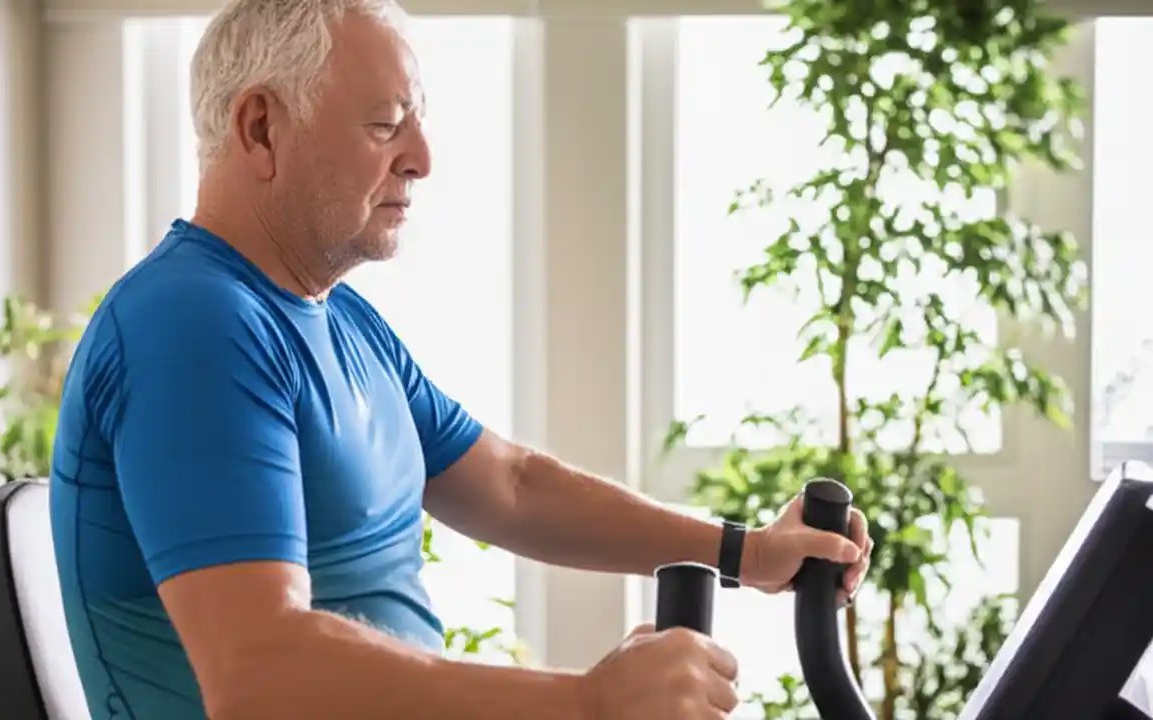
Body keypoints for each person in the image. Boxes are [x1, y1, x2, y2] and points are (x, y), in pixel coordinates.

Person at [48, 0, 872, 718]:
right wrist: (589, 703)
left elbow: (509, 487)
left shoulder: (337, 322)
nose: (423, 158)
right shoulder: (191, 325)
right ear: (261, 128)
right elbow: (259, 673)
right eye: (384, 123)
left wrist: (748, 553)